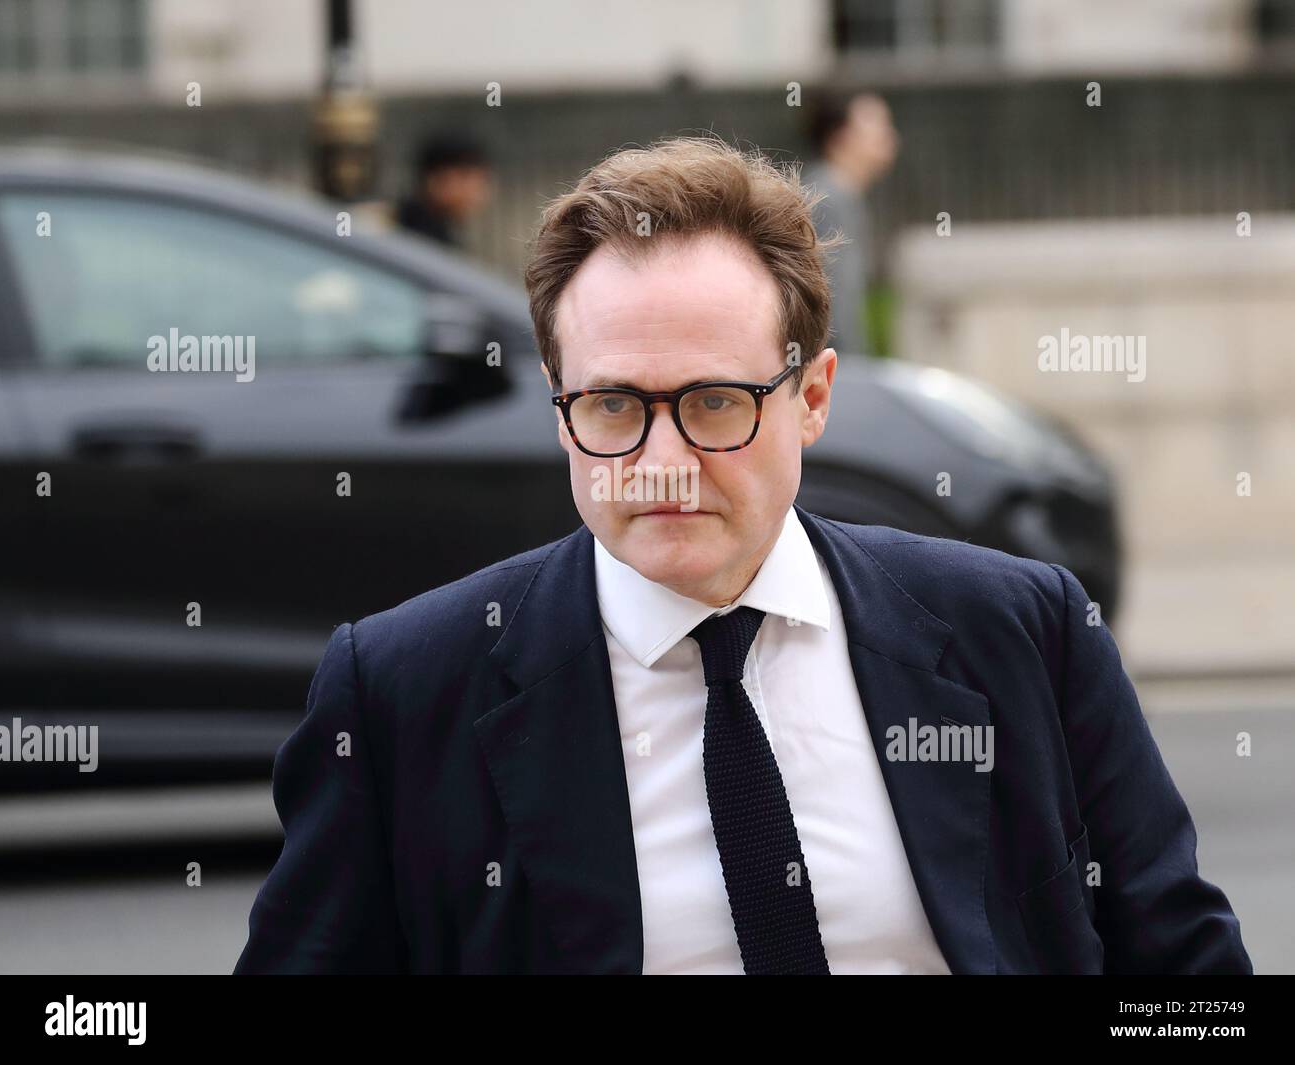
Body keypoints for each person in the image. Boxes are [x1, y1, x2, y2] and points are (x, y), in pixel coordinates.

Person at [234, 137, 1250, 975]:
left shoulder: (1021, 632)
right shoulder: (405, 689)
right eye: (613, 406)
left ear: (810, 400)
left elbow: (1181, 971)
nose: (661, 461)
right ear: (559, 408)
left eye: (716, 402)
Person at [803, 92, 899, 356]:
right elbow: (835, 296)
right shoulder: (830, 197)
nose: (888, 136)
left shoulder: (836, 193)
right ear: (839, 137)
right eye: (876, 127)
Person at [394, 134, 493, 249]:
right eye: (466, 177)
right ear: (436, 178)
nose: (476, 189)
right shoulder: (409, 232)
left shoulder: (436, 229)